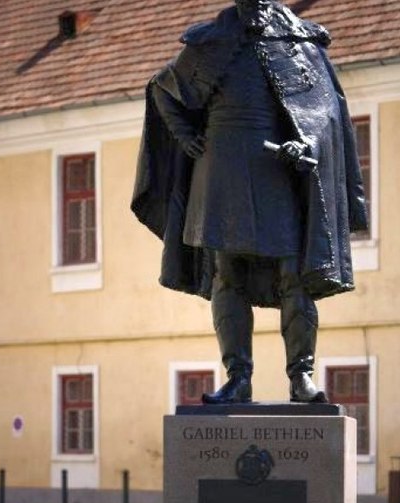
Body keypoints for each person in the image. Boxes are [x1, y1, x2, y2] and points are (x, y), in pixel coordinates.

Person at [131, 0, 368, 404]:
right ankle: (238, 378)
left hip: (277, 171)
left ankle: (301, 376)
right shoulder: (211, 40)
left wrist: (306, 143)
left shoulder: (300, 41)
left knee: (294, 274)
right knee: (227, 274)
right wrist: (184, 135)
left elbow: (325, 113)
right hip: (220, 170)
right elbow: (162, 90)